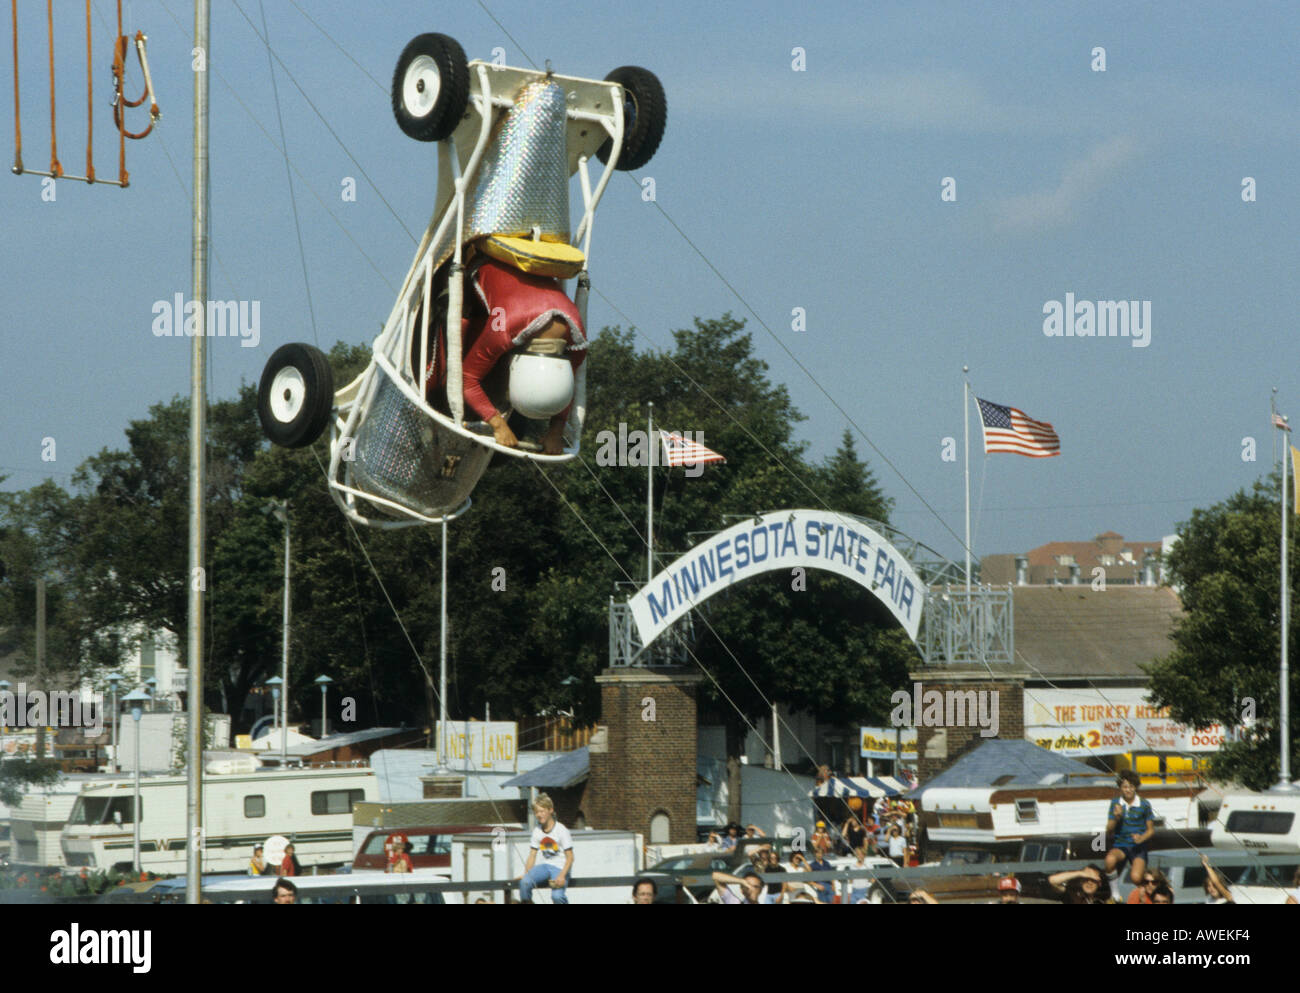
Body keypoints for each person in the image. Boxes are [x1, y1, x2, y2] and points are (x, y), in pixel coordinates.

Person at [421, 248, 586, 456]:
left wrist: (556, 430)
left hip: (514, 304)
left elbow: (566, 390)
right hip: (480, 266)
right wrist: (497, 424)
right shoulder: (505, 328)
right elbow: (466, 379)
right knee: (451, 365)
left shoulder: (578, 341)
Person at [516, 793, 574, 904]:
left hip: (560, 867)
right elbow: (532, 855)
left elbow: (570, 857)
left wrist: (562, 876)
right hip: (545, 865)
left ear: (550, 810)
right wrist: (526, 873)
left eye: (542, 811)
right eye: (537, 812)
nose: (539, 815)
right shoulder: (537, 831)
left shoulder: (561, 830)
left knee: (557, 896)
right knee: (525, 883)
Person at [1104, 771, 1155, 886]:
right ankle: (1115, 894)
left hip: (1138, 847)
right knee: (1109, 860)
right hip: (1121, 845)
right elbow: (1109, 829)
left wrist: (1141, 838)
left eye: (1131, 786)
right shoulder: (1115, 803)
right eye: (1125, 787)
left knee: (1136, 878)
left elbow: (1151, 830)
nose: (1128, 790)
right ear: (1120, 788)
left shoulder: (1144, 804)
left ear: (1136, 787)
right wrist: (1116, 818)